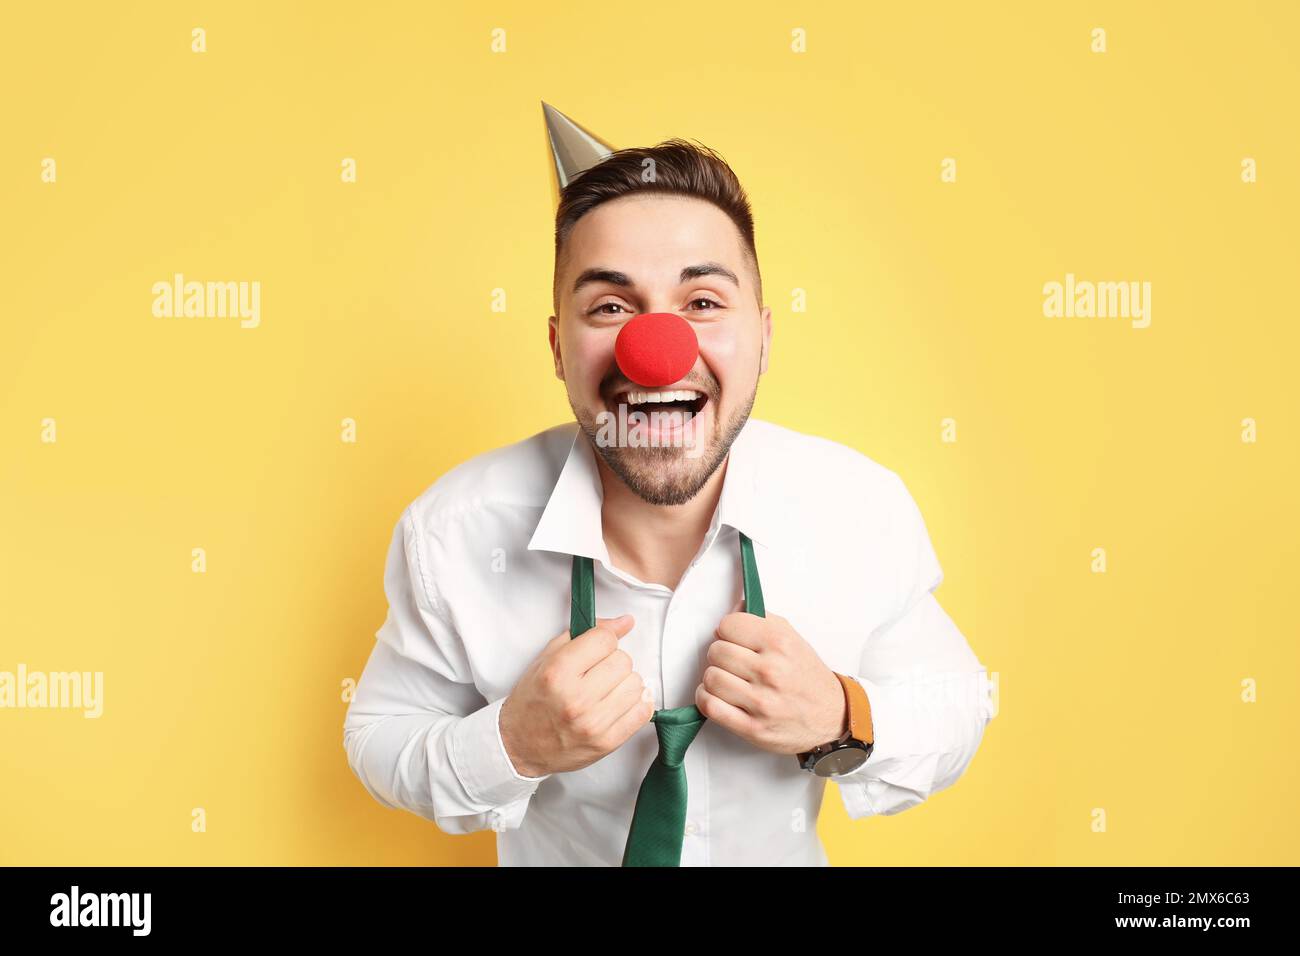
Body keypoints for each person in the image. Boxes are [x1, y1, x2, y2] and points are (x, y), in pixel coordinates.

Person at [343, 124, 992, 866]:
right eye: (612, 308)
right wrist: (510, 744)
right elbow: (377, 735)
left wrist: (844, 716)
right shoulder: (454, 531)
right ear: (558, 348)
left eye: (704, 302)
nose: (656, 352)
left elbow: (960, 706)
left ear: (764, 339)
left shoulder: (857, 511)